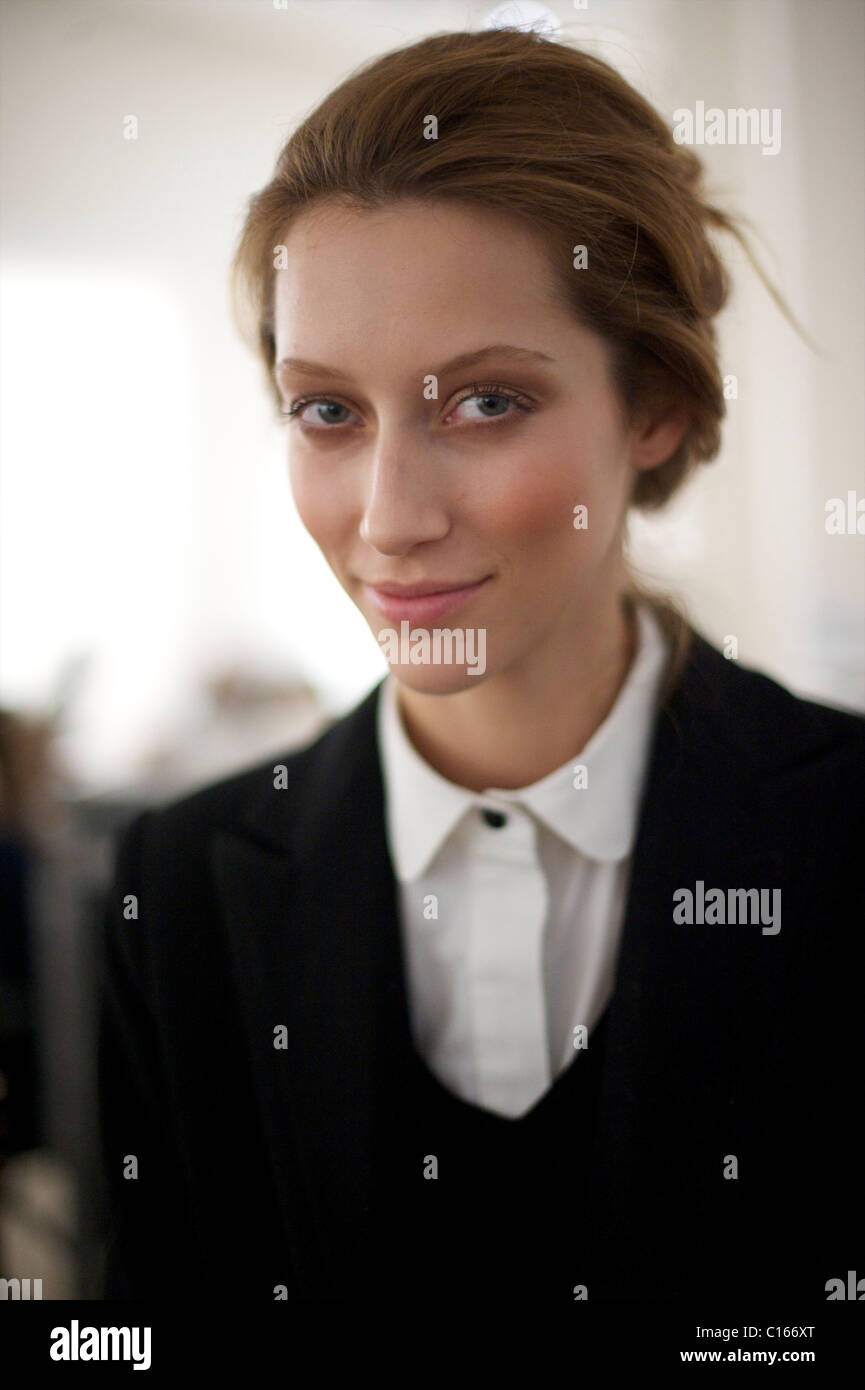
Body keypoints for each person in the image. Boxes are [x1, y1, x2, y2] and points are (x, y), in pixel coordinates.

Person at [97, 27, 864, 1304]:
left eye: (486, 402)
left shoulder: (846, 832)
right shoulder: (179, 885)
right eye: (328, 411)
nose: (389, 516)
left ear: (655, 404)